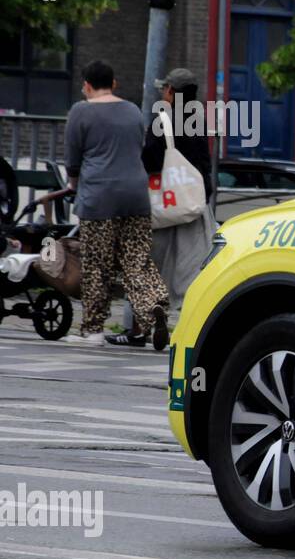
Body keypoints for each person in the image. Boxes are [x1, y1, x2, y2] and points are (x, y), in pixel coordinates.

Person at [63, 60, 170, 350]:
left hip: (99, 197)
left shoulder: (81, 111)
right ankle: (153, 307)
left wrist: (73, 184)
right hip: (136, 195)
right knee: (137, 261)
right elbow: (138, 147)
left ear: (86, 84)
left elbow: (73, 159)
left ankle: (93, 330)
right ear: (114, 83)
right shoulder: (133, 110)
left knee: (97, 265)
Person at [141, 67, 216, 309]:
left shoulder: (162, 120)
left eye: (165, 88)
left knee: (154, 264)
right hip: (193, 204)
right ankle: (188, 320)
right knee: (191, 268)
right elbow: (205, 165)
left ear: (171, 91)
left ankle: (145, 321)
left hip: (164, 205)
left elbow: (149, 162)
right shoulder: (199, 121)